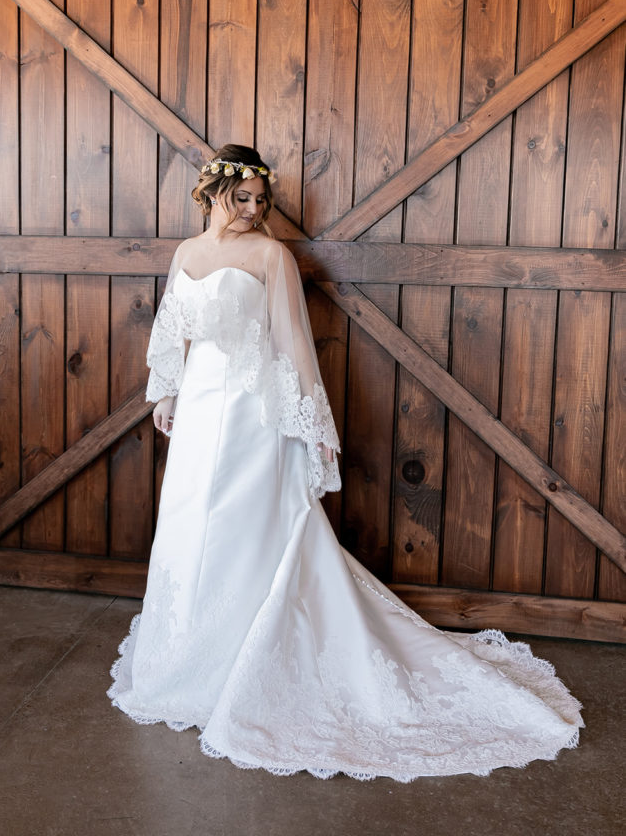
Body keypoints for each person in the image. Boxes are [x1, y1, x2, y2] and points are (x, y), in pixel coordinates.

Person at [108, 144, 583, 781]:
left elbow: (294, 345)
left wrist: (316, 427)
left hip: (255, 415)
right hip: (198, 408)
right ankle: (185, 656)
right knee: (191, 523)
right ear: (212, 193)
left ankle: (249, 661)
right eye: (241, 197)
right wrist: (165, 391)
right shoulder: (186, 255)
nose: (251, 210)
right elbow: (173, 332)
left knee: (246, 529)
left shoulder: (271, 255)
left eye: (259, 200)